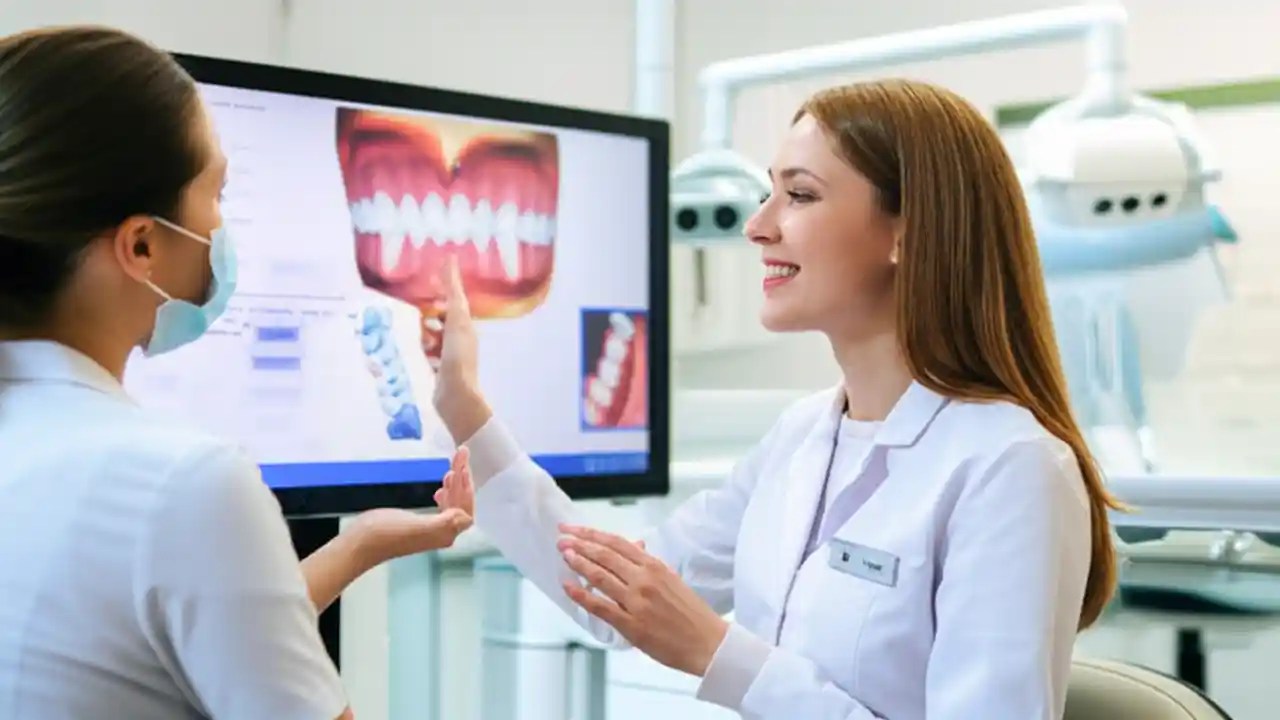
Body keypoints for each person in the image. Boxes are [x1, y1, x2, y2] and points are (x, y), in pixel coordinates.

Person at [428, 78, 1124, 719]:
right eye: (770, 193)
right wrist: (463, 406)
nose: (757, 226)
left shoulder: (1010, 467)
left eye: (800, 194)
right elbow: (614, 595)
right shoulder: (800, 436)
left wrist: (718, 654)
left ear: (907, 232)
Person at [0, 26, 475, 720]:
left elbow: (151, 641)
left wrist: (358, 545)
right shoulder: (184, 481)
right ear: (141, 244)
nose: (223, 228)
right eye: (216, 194)